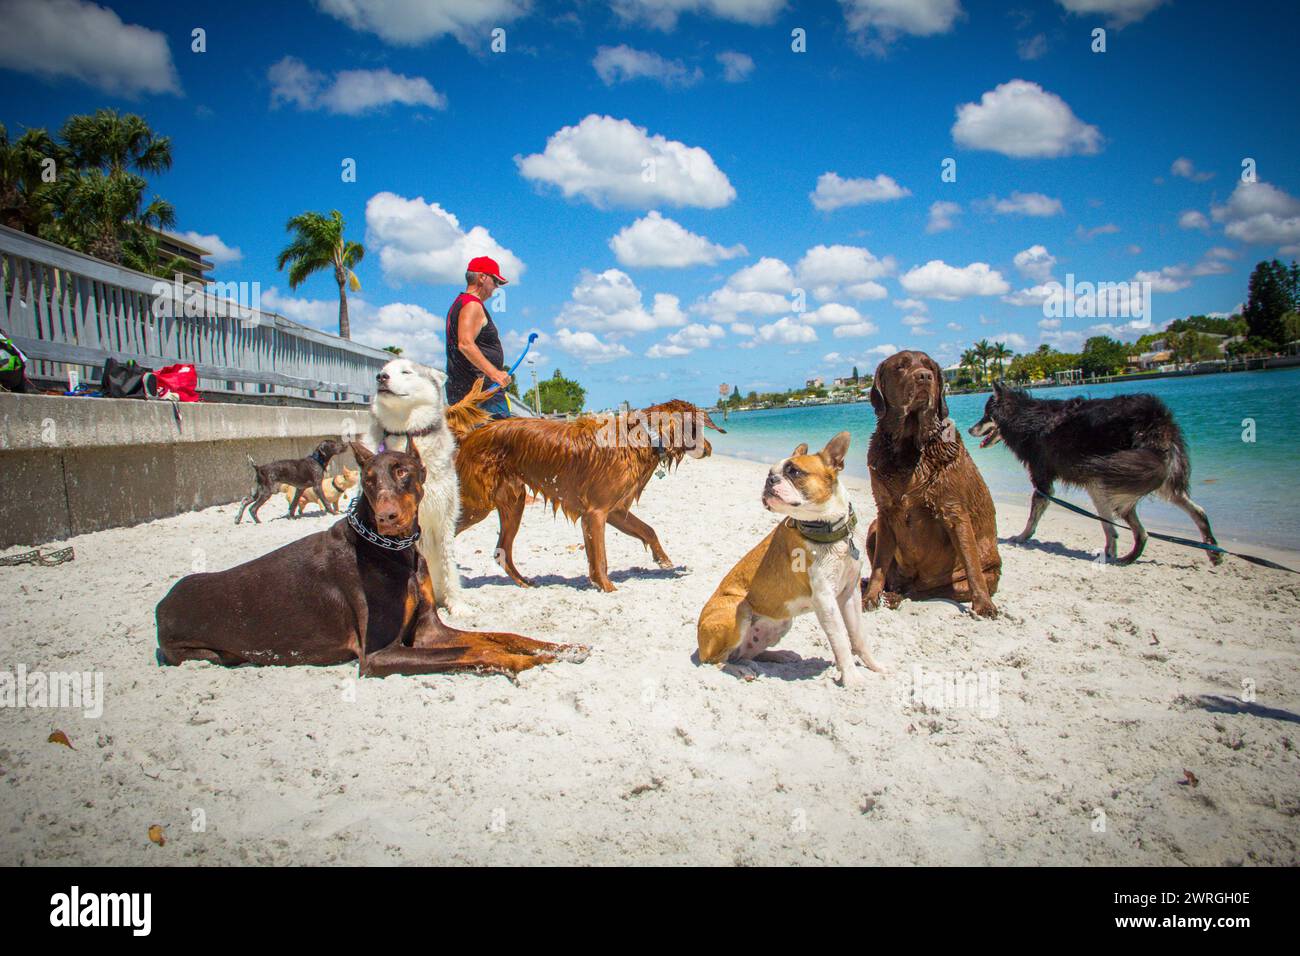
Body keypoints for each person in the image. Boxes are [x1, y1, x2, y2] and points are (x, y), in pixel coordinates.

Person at [445, 256, 513, 418]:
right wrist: (494, 373)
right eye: (495, 281)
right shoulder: (472, 304)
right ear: (482, 278)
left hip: (466, 391)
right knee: (503, 441)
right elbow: (465, 344)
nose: (496, 288)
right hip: (483, 393)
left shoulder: (460, 303)